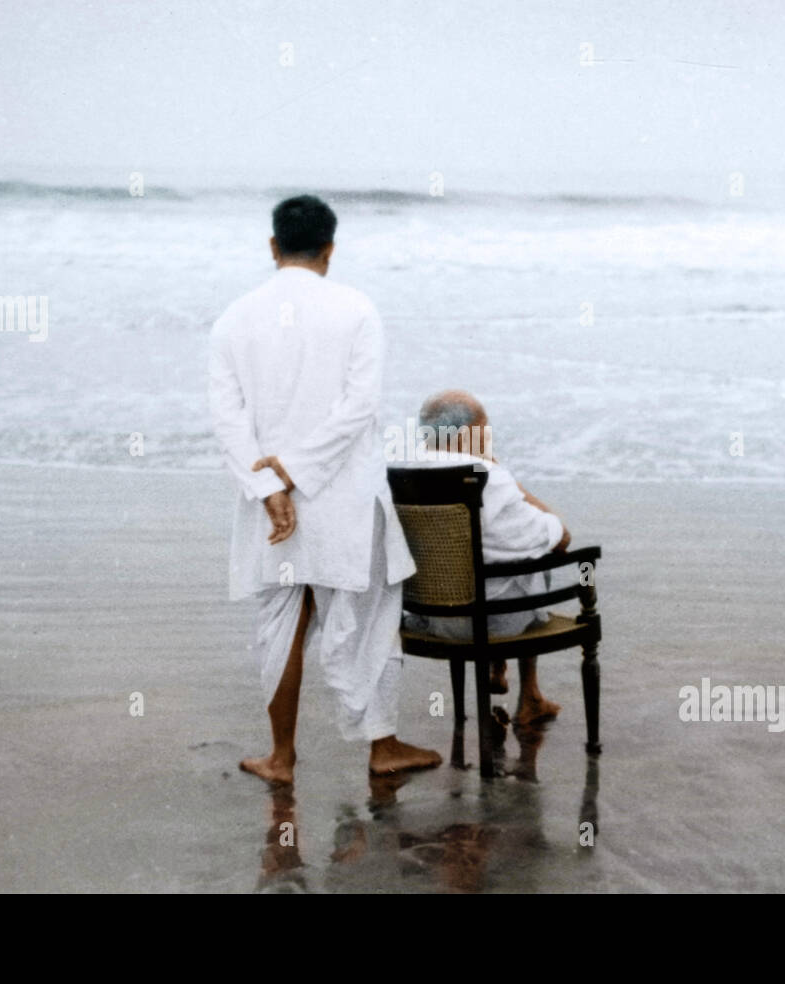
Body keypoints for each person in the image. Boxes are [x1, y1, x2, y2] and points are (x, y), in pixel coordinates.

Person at [208, 194, 441, 785]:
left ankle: (281, 757)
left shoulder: (234, 317)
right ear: (330, 249)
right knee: (366, 618)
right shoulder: (356, 308)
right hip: (343, 495)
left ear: (272, 246)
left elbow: (228, 420)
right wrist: (297, 472)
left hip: (271, 508)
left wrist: (270, 484)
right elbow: (358, 409)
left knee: (280, 622)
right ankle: (381, 747)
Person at [405, 389, 569, 725]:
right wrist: (511, 481)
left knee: (492, 555)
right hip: (492, 621)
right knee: (533, 557)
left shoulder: (403, 471)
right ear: (467, 435)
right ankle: (530, 695)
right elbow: (560, 537)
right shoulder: (488, 477)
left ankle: (499, 671)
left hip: (431, 619)